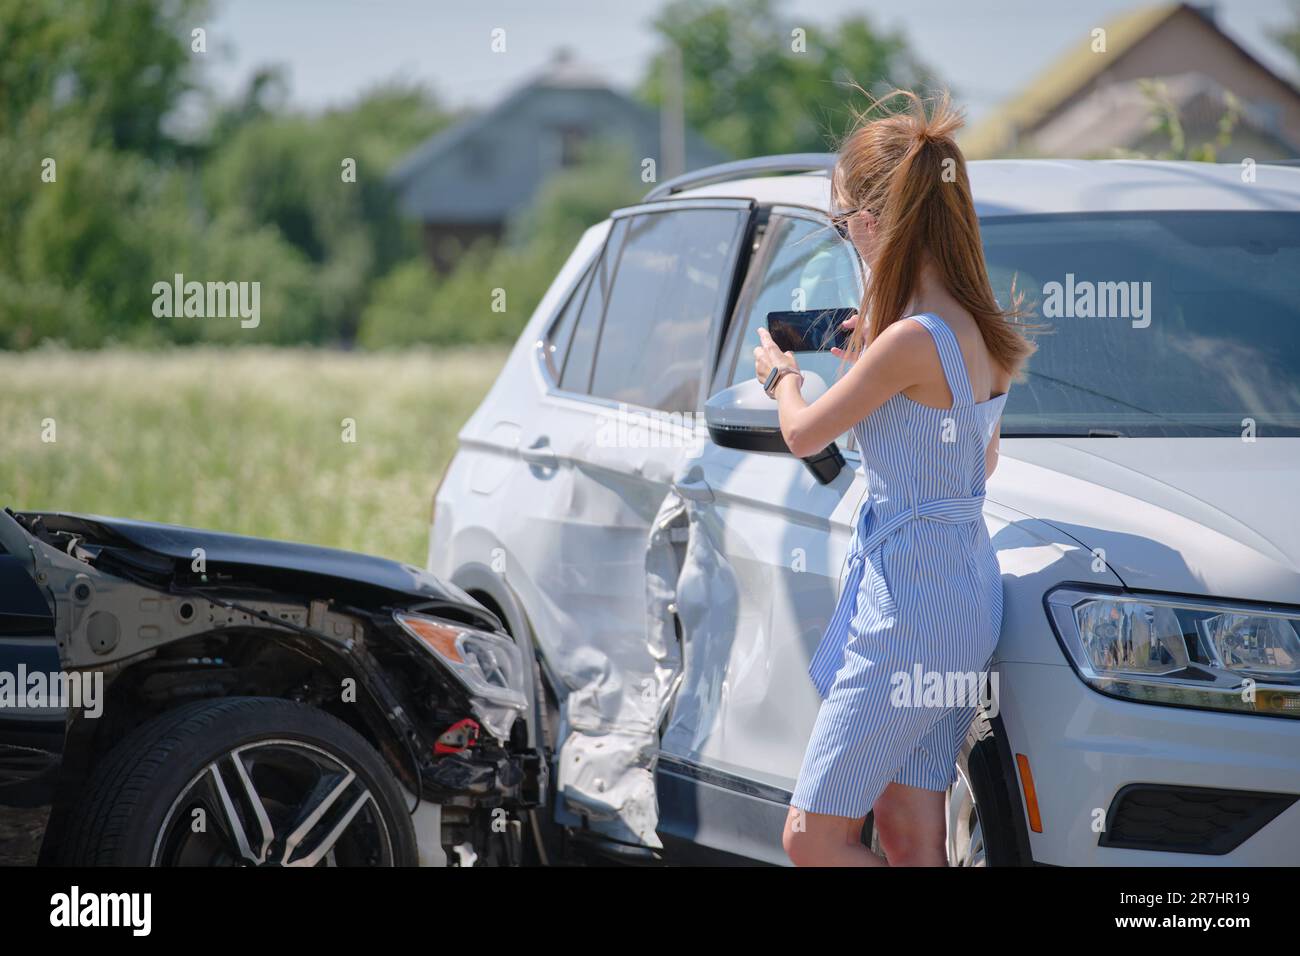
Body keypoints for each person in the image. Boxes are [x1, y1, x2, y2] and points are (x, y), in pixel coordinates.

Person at [753, 89, 1035, 866]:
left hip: (909, 602)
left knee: (811, 839)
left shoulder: (908, 338)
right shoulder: (977, 328)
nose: (845, 238)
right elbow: (977, 461)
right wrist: (875, 381)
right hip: (963, 594)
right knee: (913, 835)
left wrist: (783, 376)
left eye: (842, 224)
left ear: (875, 222)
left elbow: (805, 432)